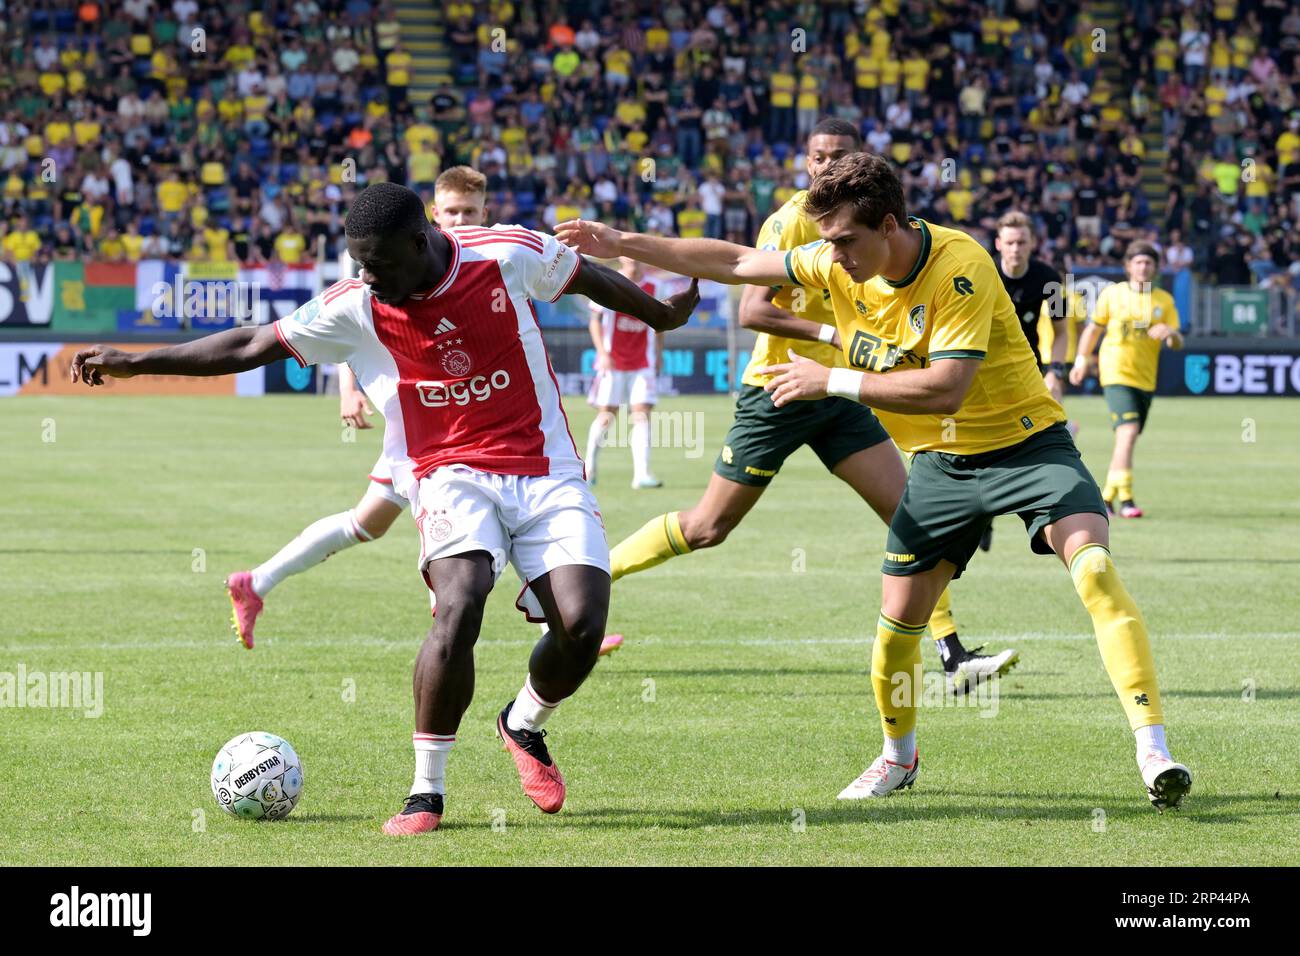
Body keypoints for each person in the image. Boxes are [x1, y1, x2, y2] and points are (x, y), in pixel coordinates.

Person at [555, 153, 1191, 811]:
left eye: (845, 240)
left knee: (1093, 570)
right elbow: (740, 264)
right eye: (825, 240)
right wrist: (623, 243)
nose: (832, 255)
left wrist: (830, 377)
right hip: (941, 469)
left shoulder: (960, 265)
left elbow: (946, 390)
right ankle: (898, 757)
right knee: (895, 630)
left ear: (890, 224)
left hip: (1028, 447)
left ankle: (1153, 749)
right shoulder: (837, 258)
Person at [72, 182, 700, 834]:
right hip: (447, 471)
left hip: (545, 467)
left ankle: (522, 723)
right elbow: (249, 345)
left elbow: (585, 275)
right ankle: (426, 793)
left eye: (379, 263)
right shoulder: (358, 303)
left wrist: (659, 316)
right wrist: (133, 360)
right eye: (359, 263)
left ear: (418, 240)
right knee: (461, 599)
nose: (368, 277)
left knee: (582, 626)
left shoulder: (504, 254)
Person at [602, 119, 1017, 694]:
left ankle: (950, 654)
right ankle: (591, 578)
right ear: (806, 162)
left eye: (838, 156)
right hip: (779, 388)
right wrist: (834, 338)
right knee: (707, 526)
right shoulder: (795, 221)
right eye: (818, 156)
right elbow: (750, 306)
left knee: (910, 515)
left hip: (836, 388)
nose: (826, 166)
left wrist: (842, 364)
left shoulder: (870, 227)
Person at [225, 167, 494, 648]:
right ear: (433, 215)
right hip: (426, 428)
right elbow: (348, 332)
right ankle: (541, 624)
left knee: (364, 524)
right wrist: (347, 389)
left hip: (467, 421)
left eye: (469, 212)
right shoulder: (392, 262)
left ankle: (255, 582)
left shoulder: (489, 260)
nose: (460, 219)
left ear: (485, 213)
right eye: (451, 211)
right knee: (469, 520)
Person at [1069, 241, 1183, 518]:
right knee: (1128, 432)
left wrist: (1170, 332)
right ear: (1128, 267)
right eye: (1138, 262)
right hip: (1116, 371)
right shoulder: (1113, 294)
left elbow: (1178, 343)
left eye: (1148, 263)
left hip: (1145, 378)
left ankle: (1108, 496)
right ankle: (1126, 499)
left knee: (1127, 437)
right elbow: (1093, 330)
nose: (1143, 267)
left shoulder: (1164, 301)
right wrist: (1082, 359)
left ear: (1156, 268)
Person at [982, 210, 1074, 551]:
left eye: (1022, 242)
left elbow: (1062, 331)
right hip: (984, 371)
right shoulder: (983, 271)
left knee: (1037, 439)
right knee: (985, 442)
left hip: (1028, 371)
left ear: (1032, 243)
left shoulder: (1049, 277)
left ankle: (1046, 517)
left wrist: (1056, 371)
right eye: (1009, 243)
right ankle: (982, 515)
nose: (1016, 249)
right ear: (998, 244)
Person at [585, 257, 665, 490]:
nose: (634, 261)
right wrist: (602, 353)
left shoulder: (656, 287)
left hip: (643, 361)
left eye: (637, 256)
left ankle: (641, 474)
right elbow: (595, 322)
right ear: (621, 258)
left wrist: (659, 353)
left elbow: (661, 322)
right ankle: (589, 468)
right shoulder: (609, 281)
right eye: (629, 256)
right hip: (613, 361)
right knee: (607, 415)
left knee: (642, 414)